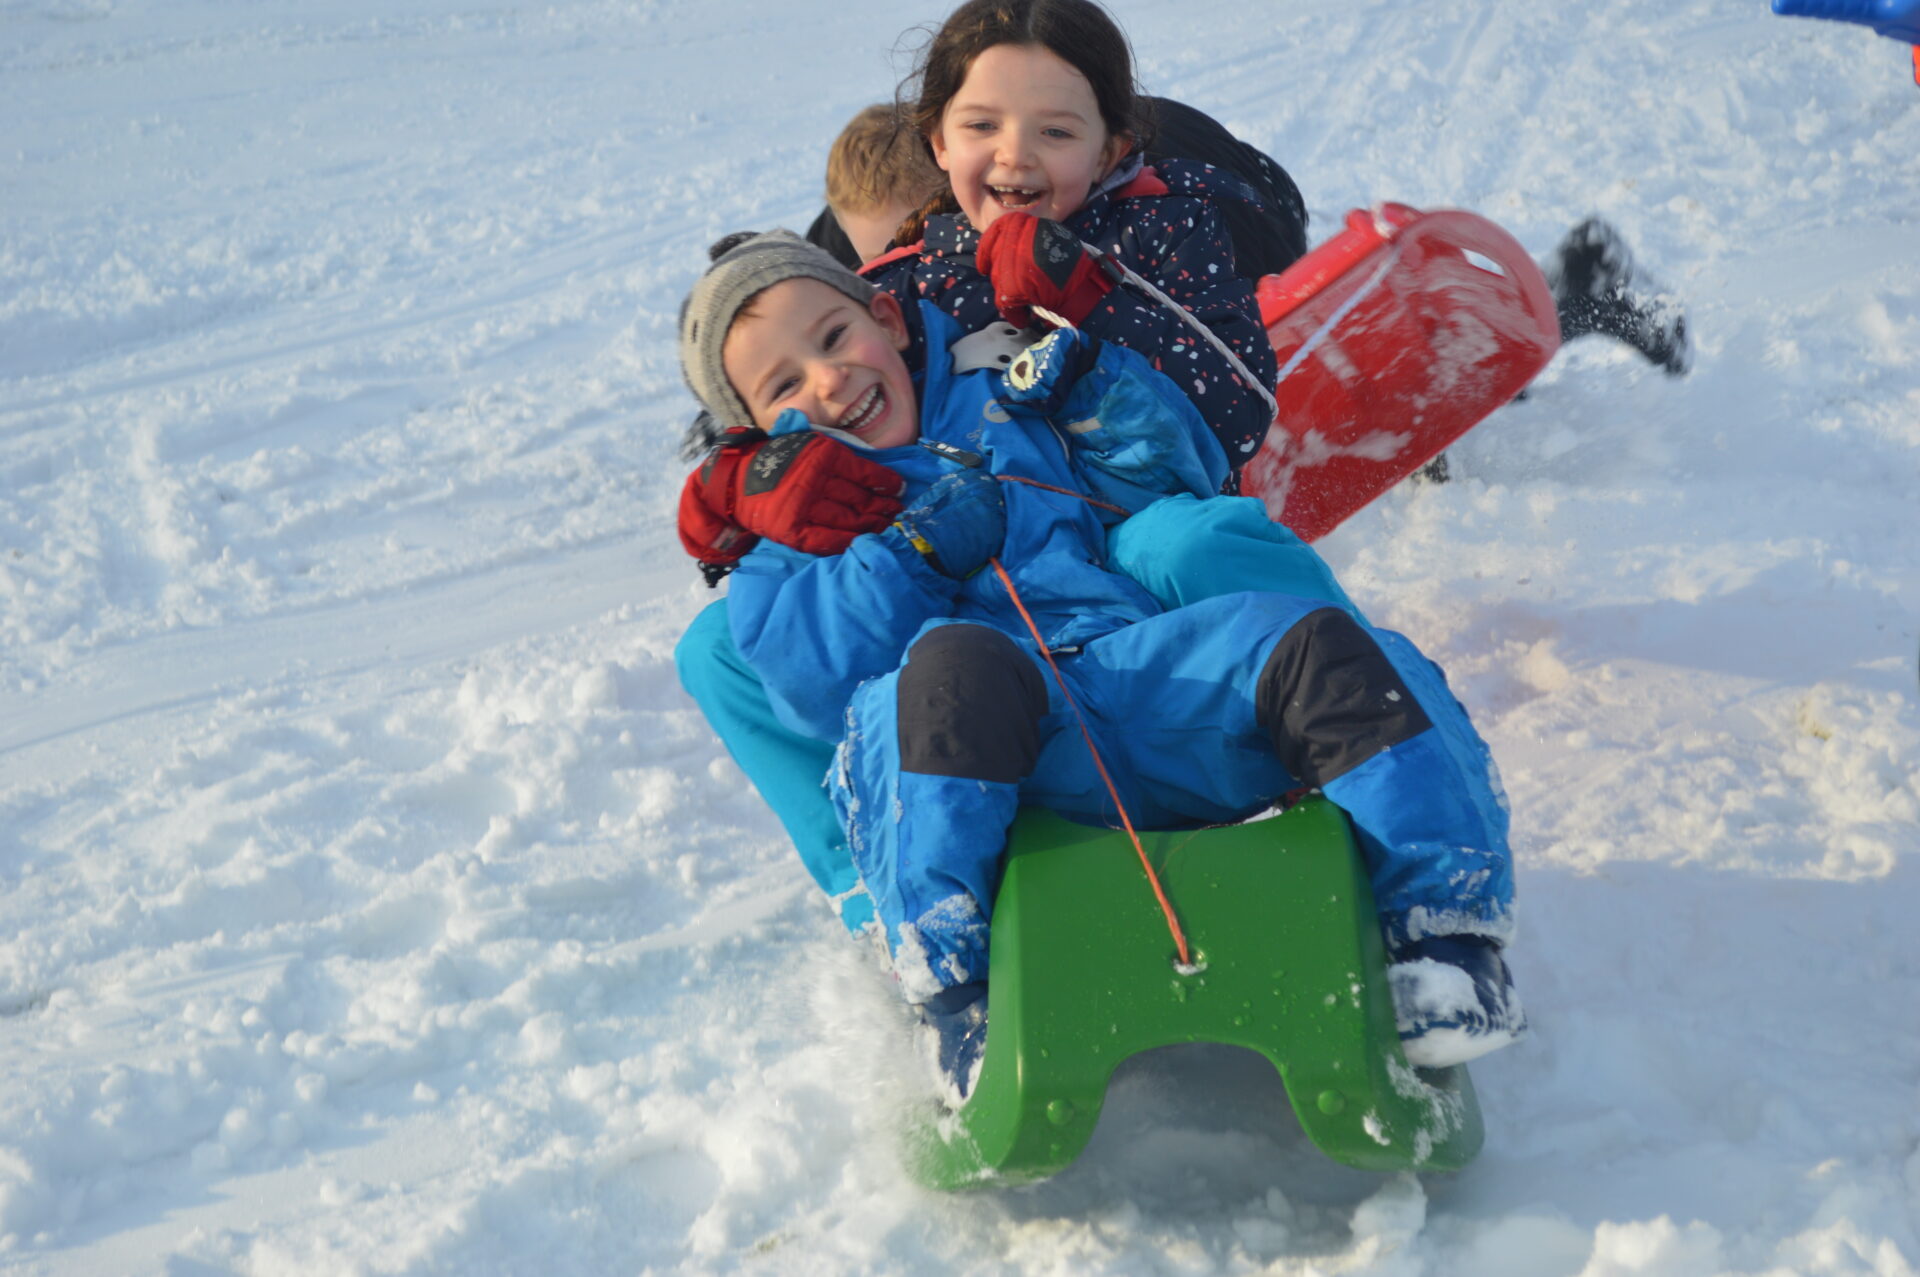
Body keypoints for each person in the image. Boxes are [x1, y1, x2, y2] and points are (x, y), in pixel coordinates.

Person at [676, 229, 1526, 1101]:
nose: (827, 380)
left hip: (1136, 676)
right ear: (753, 429)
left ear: (886, 319)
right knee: (945, 671)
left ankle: (1446, 935)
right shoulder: (791, 532)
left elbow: (1171, 475)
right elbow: (810, 680)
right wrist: (909, 556)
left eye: (833, 337)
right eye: (784, 383)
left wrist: (1094, 395)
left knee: (1307, 641)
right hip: (989, 771)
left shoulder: (998, 395)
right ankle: (960, 998)